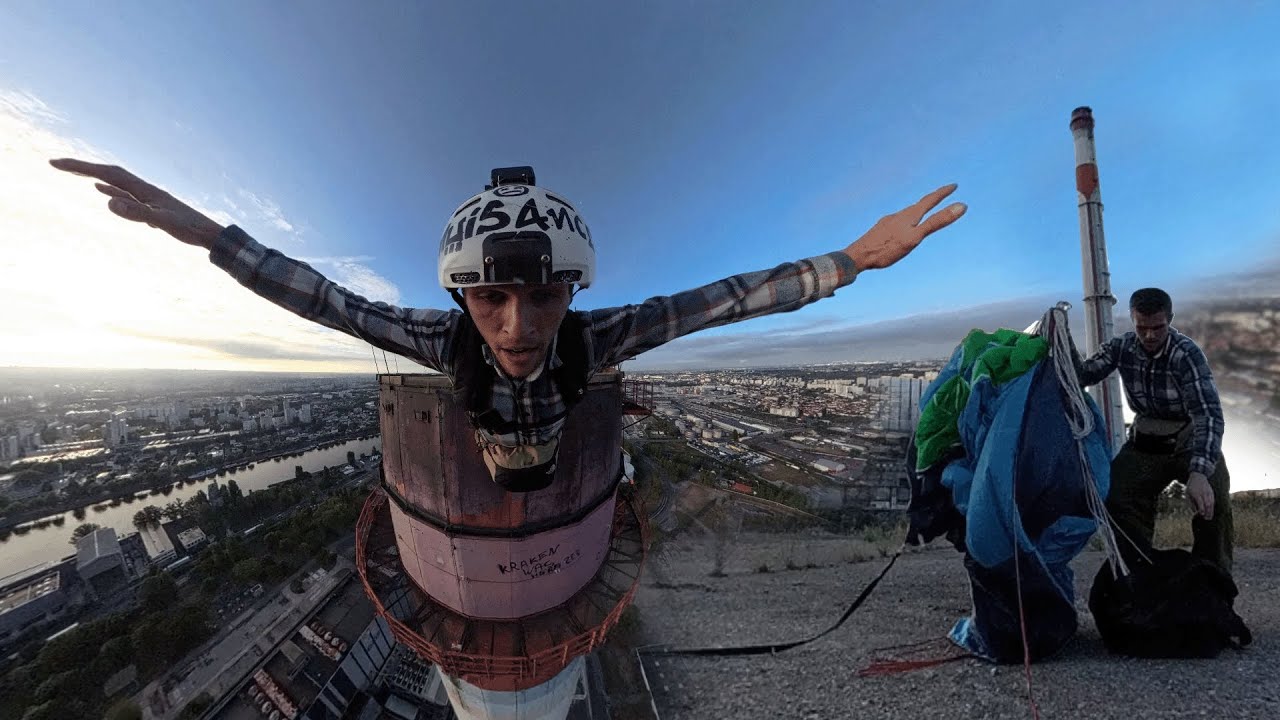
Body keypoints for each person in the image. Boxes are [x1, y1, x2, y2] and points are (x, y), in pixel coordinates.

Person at [50, 158, 966, 491]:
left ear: (572, 295)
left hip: (557, 444)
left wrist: (850, 261)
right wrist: (207, 233)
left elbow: (722, 298)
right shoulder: (451, 341)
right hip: (501, 442)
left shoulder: (587, 343)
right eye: (490, 298)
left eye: (544, 298)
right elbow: (319, 296)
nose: (520, 324)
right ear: (461, 299)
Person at [1077, 287, 1231, 574]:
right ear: (1132, 320)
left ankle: (1214, 585)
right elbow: (1083, 374)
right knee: (1118, 497)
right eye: (1142, 328)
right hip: (1145, 444)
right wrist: (1057, 345)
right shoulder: (1120, 347)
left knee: (1215, 502)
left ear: (1170, 320)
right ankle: (1136, 575)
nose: (1149, 335)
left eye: (1157, 327)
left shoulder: (1186, 354)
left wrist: (1199, 474)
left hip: (1189, 442)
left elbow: (1208, 414)